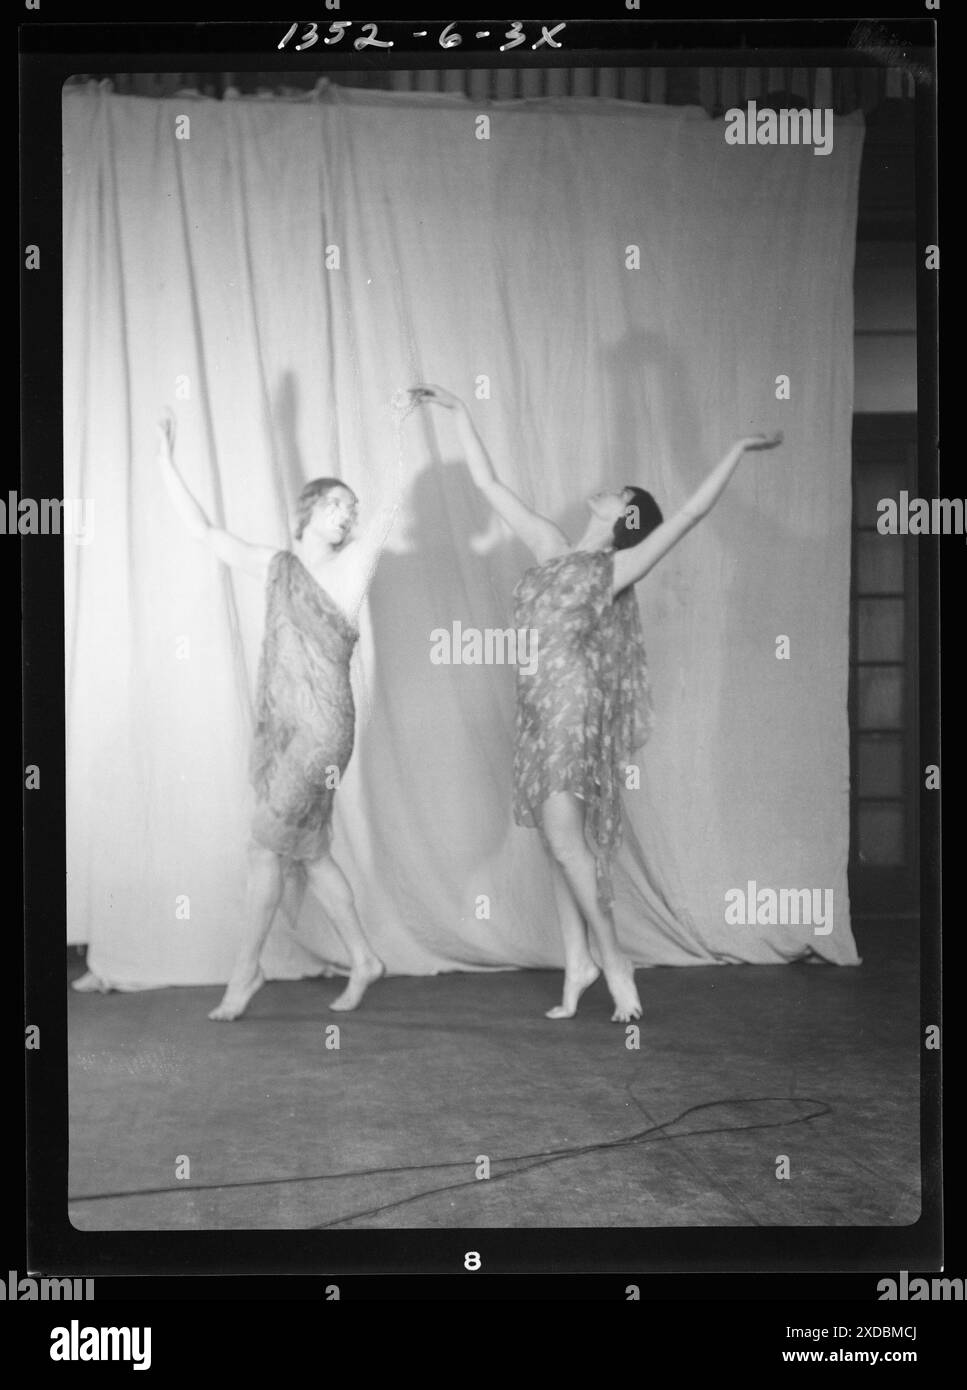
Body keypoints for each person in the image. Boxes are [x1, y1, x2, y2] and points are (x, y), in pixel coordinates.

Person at [413, 384, 782, 1022]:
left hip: (569, 711)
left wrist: (736, 451)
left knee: (566, 843)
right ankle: (578, 959)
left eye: (622, 491)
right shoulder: (551, 544)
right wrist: (459, 412)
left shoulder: (618, 567)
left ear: (624, 516)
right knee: (560, 842)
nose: (611, 485)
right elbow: (489, 485)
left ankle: (614, 962)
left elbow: (690, 516)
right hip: (534, 710)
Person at [153, 409, 404, 1020]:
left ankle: (244, 974)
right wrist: (164, 455)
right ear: (309, 510)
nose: (348, 514)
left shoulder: (350, 570)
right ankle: (364, 957)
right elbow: (205, 532)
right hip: (287, 730)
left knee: (265, 847)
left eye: (352, 508)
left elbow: (389, 509)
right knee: (308, 851)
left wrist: (398, 427)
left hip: (322, 733)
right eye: (337, 504)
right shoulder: (277, 566)